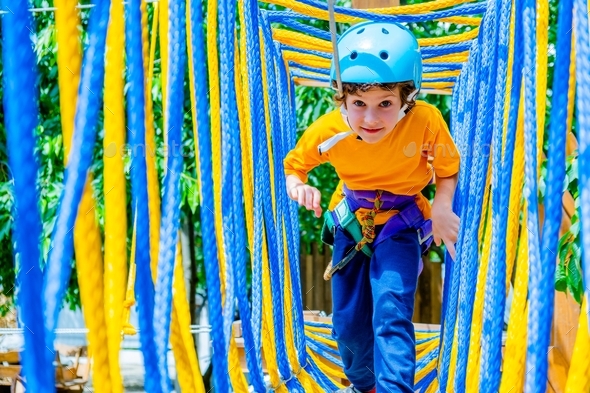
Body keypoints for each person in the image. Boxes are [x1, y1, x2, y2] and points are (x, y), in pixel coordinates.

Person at [283, 21, 461, 392]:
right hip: (352, 223)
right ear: (342, 98)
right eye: (358, 104)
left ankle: (395, 388)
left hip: (402, 223)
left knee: (391, 311)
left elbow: (448, 170)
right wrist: (299, 187)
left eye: (386, 104)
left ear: (406, 99)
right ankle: (365, 385)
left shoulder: (425, 121)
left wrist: (442, 208)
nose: (370, 118)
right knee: (347, 324)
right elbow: (293, 167)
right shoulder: (330, 130)